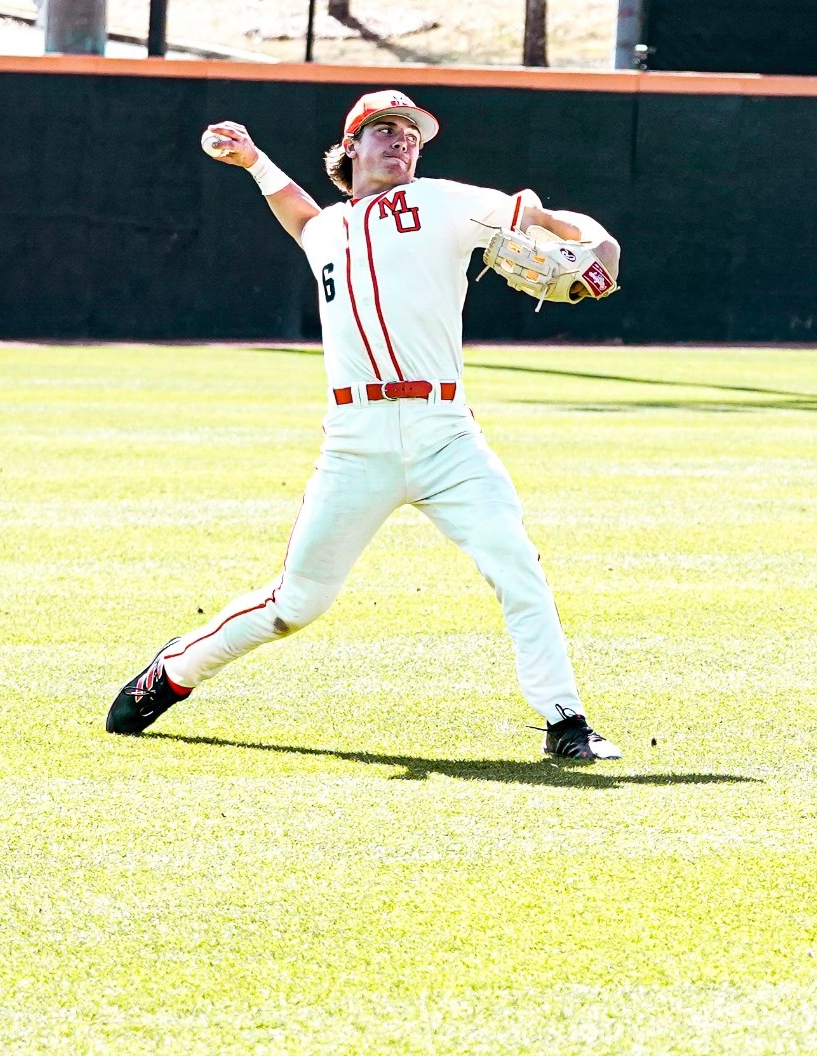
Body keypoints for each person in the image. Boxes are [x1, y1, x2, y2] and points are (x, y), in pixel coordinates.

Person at [106, 90, 623, 760]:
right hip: (356, 442)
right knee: (296, 603)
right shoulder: (327, 228)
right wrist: (255, 161)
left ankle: (565, 722)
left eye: (411, 134)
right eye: (383, 130)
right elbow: (299, 215)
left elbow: (541, 217)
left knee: (515, 566)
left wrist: (592, 241)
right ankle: (173, 672)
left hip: (444, 432)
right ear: (349, 147)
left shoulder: (442, 199)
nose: (401, 141)